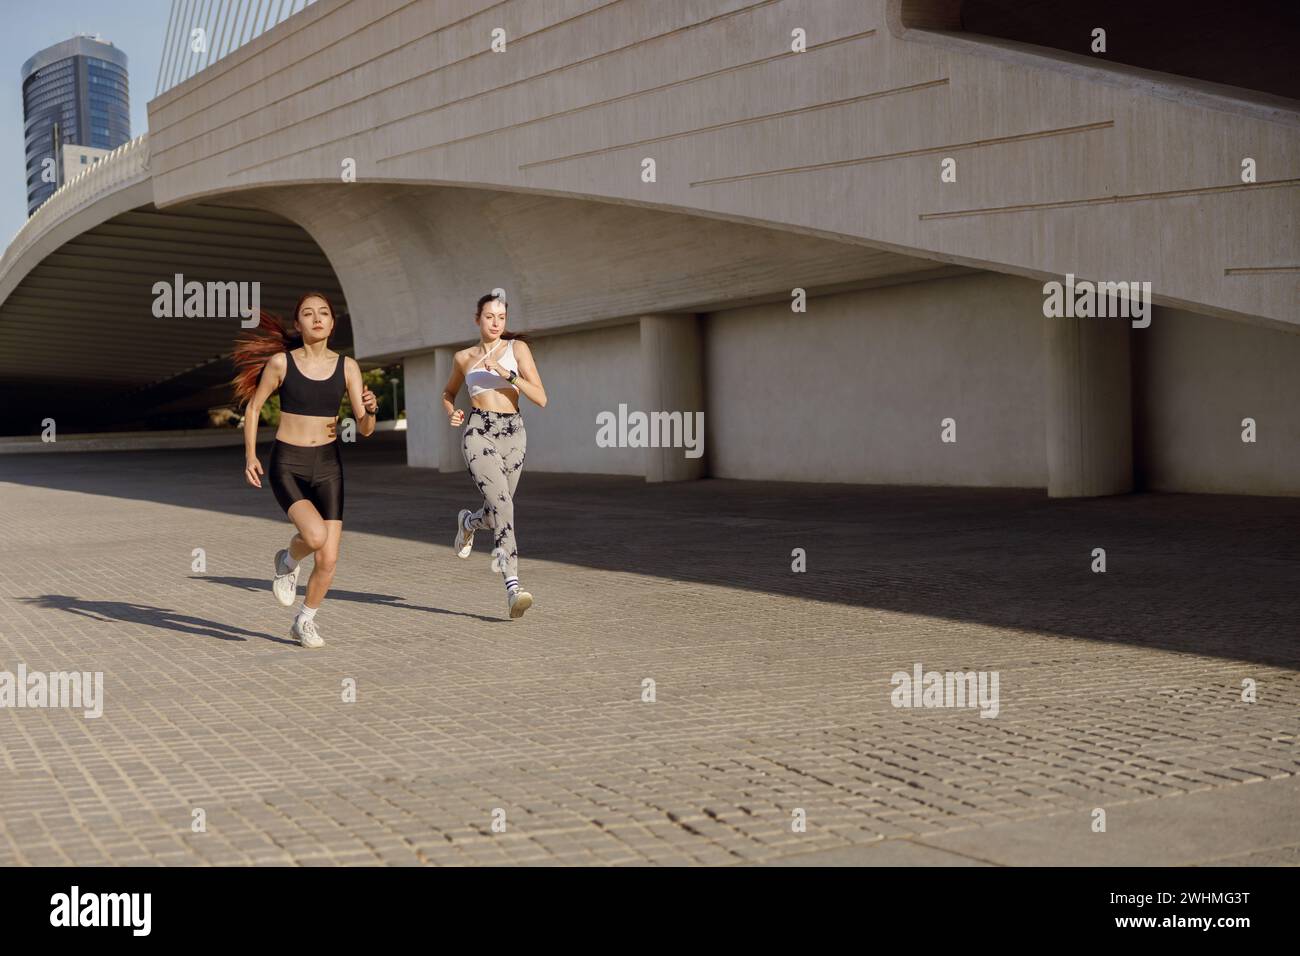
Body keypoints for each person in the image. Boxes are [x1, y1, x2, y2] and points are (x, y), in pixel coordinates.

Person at [232, 292, 378, 647]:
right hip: (289, 464)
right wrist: (251, 455)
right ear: (298, 325)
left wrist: (371, 409)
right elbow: (253, 409)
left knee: (329, 558)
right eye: (308, 314)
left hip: (328, 466)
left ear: (332, 323)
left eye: (324, 313)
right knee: (313, 538)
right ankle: (287, 560)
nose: (317, 319)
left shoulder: (348, 367)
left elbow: (365, 428)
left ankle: (305, 621)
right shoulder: (283, 363)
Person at [442, 291, 547, 619]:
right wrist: (452, 412)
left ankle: (470, 522)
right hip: (478, 432)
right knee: (504, 506)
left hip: (514, 433)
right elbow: (448, 392)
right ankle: (512, 586)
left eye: (502, 318)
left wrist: (506, 373)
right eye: (490, 317)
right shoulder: (463, 357)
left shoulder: (518, 350)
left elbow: (541, 398)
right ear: (477, 319)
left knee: (499, 508)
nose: (496, 323)